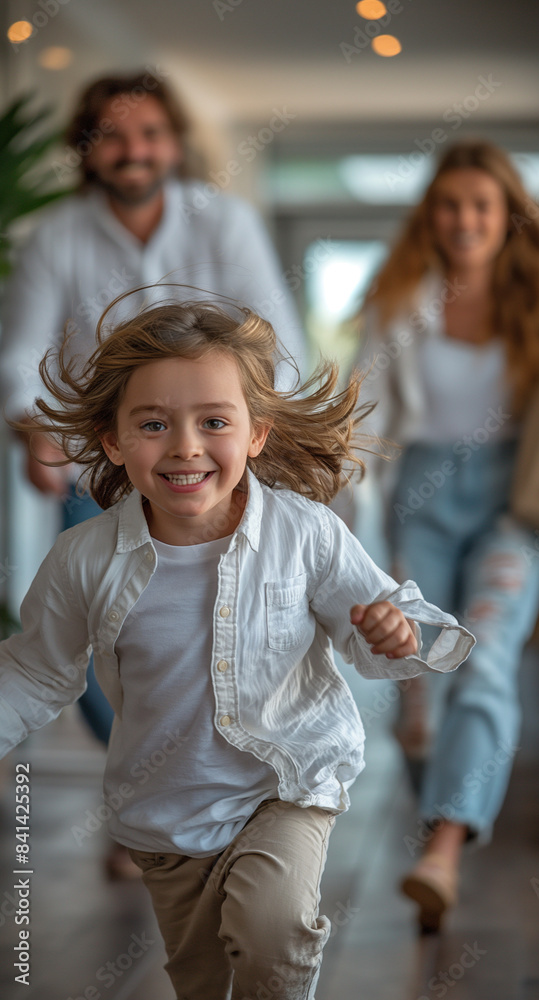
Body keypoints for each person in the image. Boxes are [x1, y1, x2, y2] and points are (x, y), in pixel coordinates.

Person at [0, 292, 474, 998]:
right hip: (167, 817)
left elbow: (376, 629)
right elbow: (34, 674)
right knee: (205, 983)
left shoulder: (305, 533)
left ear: (256, 433)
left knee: (272, 936)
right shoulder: (84, 560)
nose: (186, 446)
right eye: (153, 424)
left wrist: (396, 633)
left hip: (285, 787)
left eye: (213, 422)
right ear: (113, 441)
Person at [0, 70, 305, 873]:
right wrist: (35, 431)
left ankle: (207, 805)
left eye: (149, 133)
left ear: (172, 143)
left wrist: (273, 438)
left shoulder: (224, 221)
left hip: (209, 463)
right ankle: (148, 805)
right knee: (111, 640)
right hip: (100, 463)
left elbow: (273, 332)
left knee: (203, 629)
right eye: (113, 133)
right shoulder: (56, 236)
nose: (133, 150)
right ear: (87, 147)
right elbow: (16, 353)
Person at [354, 140, 539, 931]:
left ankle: (441, 847)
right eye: (450, 204)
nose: (465, 219)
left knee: (486, 655)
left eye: (482, 204)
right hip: (424, 499)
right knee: (417, 679)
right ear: (430, 215)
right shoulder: (401, 296)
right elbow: (367, 414)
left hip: (517, 499)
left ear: (509, 216)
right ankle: (442, 806)